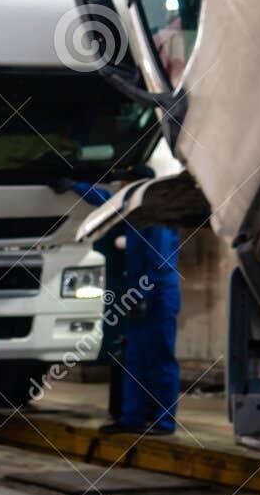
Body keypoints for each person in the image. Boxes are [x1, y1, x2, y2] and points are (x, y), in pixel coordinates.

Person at [73, 182, 183, 436]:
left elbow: (160, 262)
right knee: (134, 358)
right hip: (139, 295)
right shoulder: (135, 210)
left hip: (157, 297)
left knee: (159, 358)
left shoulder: (157, 219)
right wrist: (73, 186)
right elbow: (106, 201)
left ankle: (164, 422)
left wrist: (142, 296)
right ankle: (131, 418)